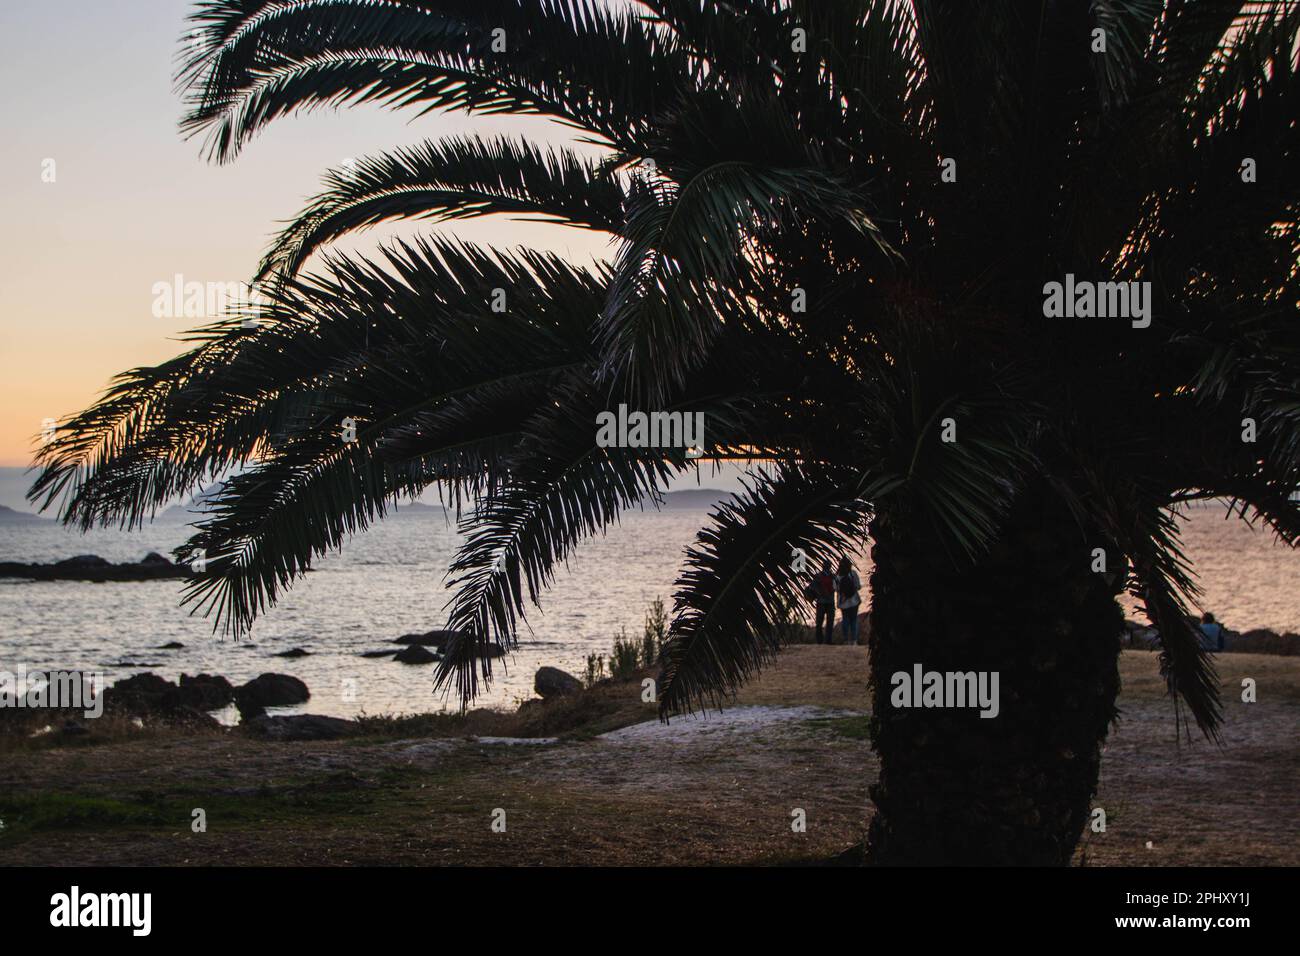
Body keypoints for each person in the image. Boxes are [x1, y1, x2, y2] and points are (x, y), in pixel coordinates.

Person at [808, 560, 837, 645]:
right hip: (828, 602)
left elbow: (812, 587)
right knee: (827, 622)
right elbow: (836, 588)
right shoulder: (832, 576)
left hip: (822, 602)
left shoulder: (819, 576)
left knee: (821, 622)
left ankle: (821, 640)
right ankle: (826, 640)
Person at [836, 556, 862, 645]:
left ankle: (846, 640)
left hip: (843, 602)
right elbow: (858, 586)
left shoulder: (838, 576)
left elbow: (835, 588)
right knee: (854, 620)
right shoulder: (853, 573)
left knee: (845, 620)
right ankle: (854, 640)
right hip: (854, 601)